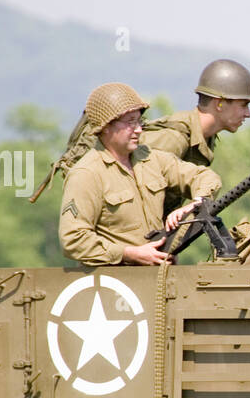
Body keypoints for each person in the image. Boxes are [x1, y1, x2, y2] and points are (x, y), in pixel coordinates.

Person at [59, 82, 222, 266]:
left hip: (156, 278)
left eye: (139, 121)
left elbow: (206, 177)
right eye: (130, 123)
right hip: (115, 285)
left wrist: (196, 204)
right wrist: (129, 253)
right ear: (105, 126)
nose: (138, 129)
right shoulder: (87, 173)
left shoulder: (151, 159)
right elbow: (73, 239)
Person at [140, 59, 250, 168]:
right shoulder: (174, 138)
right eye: (244, 105)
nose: (248, 114)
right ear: (219, 103)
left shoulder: (205, 138)